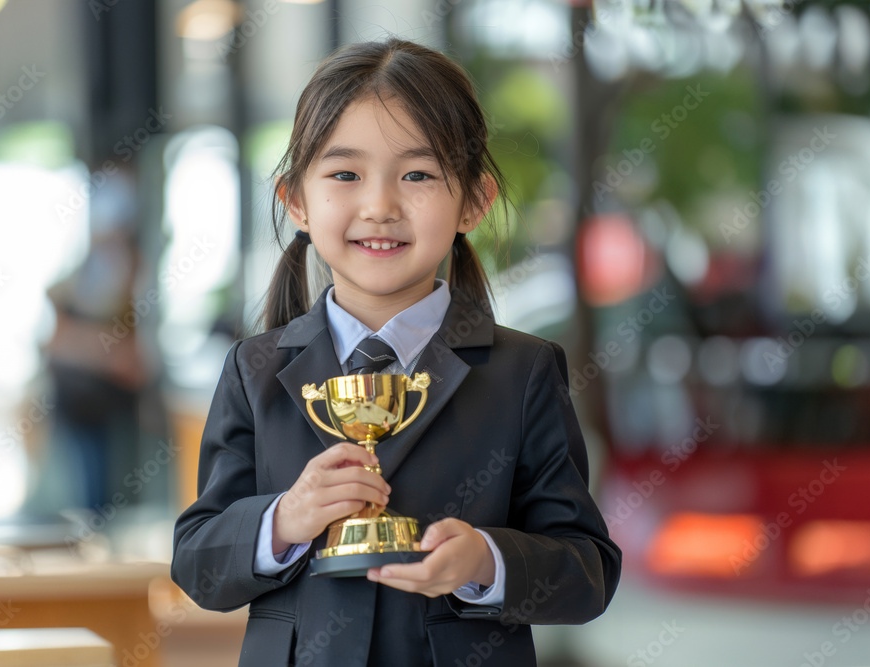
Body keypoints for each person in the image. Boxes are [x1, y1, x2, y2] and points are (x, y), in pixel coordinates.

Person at [171, 38, 621, 666]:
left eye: (417, 174)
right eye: (345, 174)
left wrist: (484, 563)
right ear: (296, 200)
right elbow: (198, 565)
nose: (379, 206)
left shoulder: (522, 372)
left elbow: (588, 570)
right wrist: (284, 519)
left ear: (474, 200)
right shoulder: (255, 370)